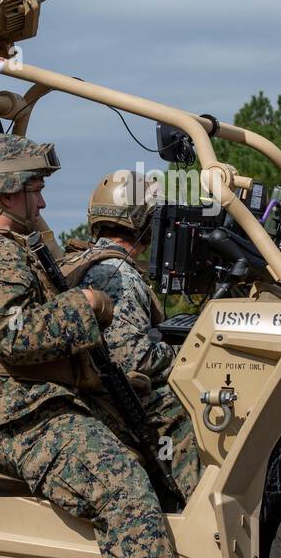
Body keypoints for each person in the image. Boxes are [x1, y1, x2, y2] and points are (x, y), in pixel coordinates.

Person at [0, 134, 187, 558]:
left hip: (44, 403)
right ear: (6, 193)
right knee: (124, 490)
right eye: (35, 189)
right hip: (17, 417)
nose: (43, 200)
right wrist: (83, 305)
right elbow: (14, 337)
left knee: (166, 428)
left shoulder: (13, 250)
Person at [62, 170, 201, 499]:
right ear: (145, 223)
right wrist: (185, 357)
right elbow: (131, 356)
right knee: (183, 407)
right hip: (108, 401)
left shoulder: (80, 260)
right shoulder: (118, 272)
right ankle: (191, 505)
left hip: (86, 388)